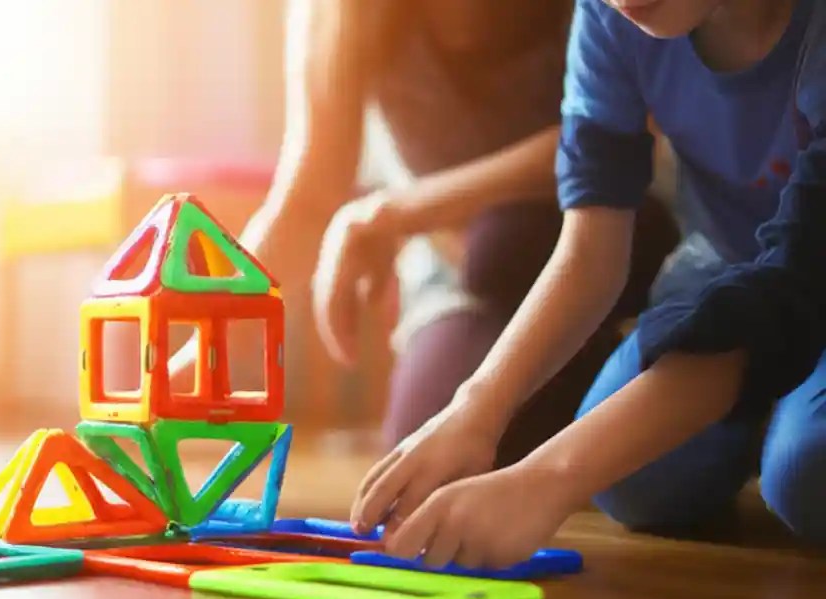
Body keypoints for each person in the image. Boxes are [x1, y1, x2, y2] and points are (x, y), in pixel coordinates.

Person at [351, 0, 826, 567]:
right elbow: (590, 252)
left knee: (807, 472)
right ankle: (765, 410)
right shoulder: (609, 17)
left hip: (802, 279)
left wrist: (547, 477)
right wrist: (474, 411)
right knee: (635, 484)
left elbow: (794, 282)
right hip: (724, 268)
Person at [227, 0, 678, 466]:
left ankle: (640, 373)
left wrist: (403, 210)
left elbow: (614, 136)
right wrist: (220, 323)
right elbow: (307, 198)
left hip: (616, 226)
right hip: (455, 269)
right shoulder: (337, 14)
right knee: (424, 441)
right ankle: (604, 381)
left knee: (501, 244)